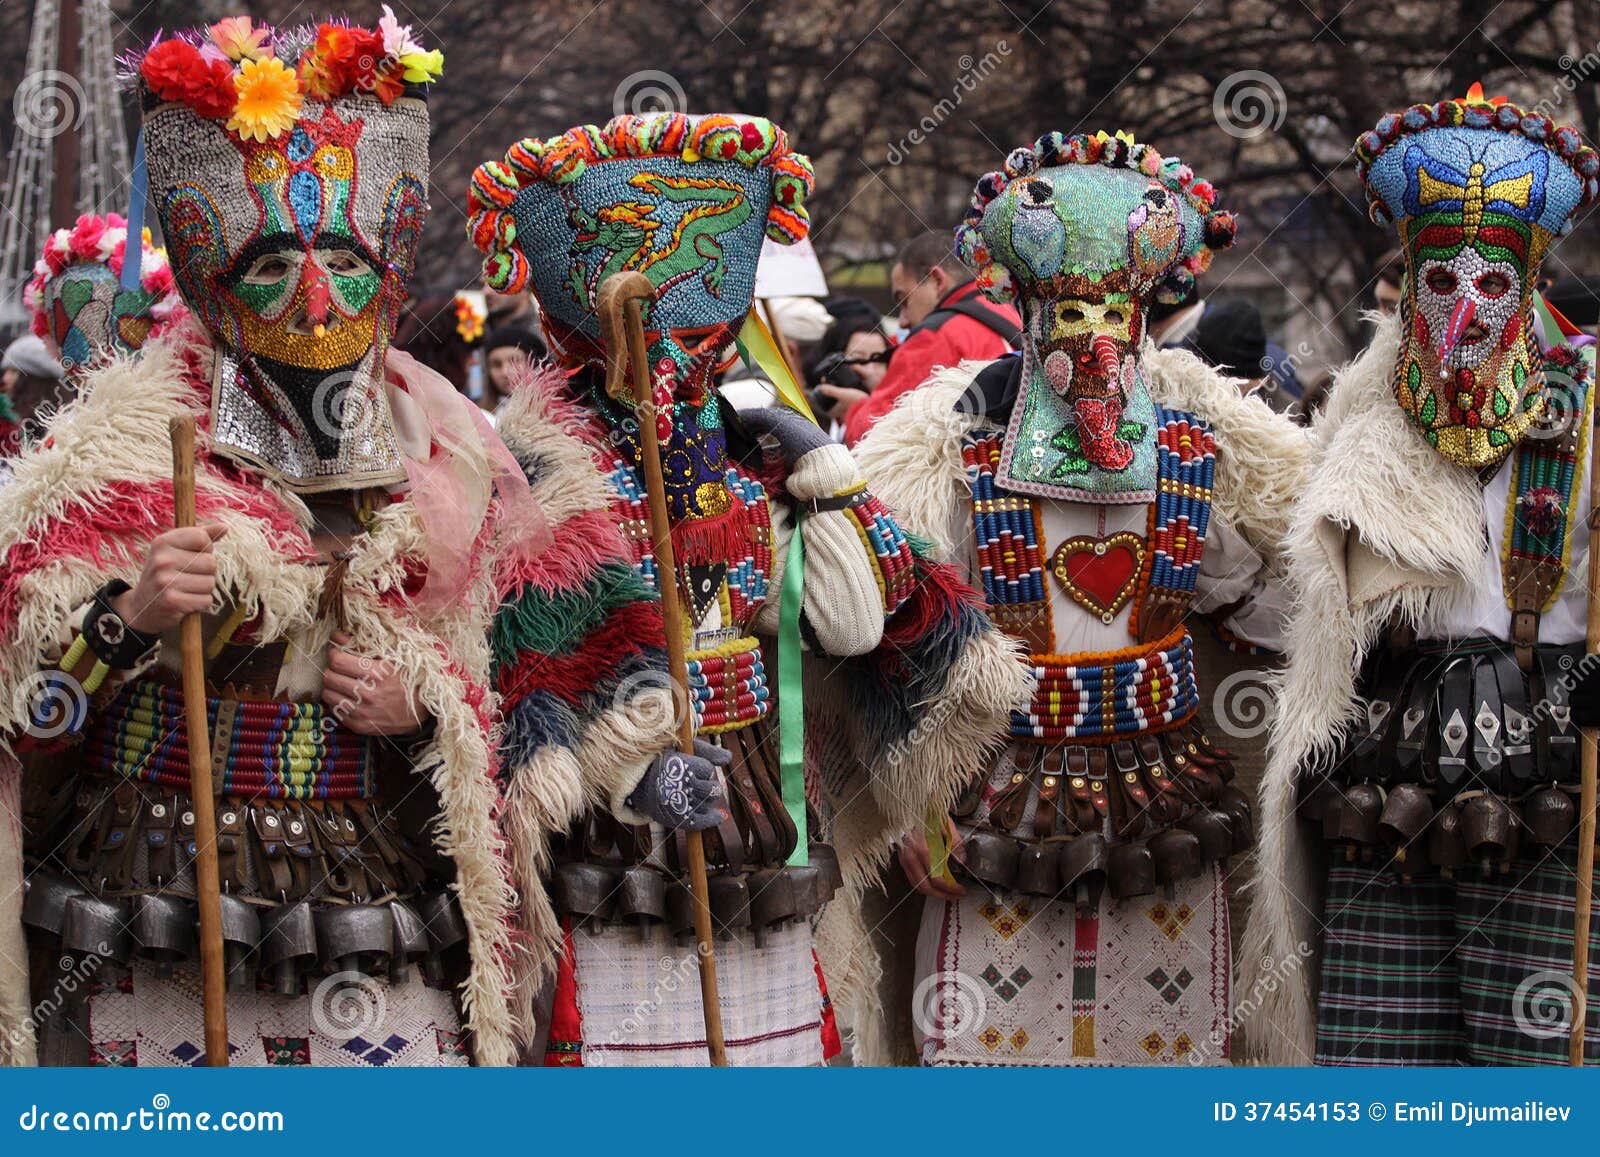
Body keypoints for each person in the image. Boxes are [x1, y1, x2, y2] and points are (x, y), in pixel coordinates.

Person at [0, 12, 606, 1068]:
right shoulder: (115, 451)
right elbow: (31, 720)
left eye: (348, 259)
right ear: (216, 275)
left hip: (371, 890)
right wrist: (124, 615)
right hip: (151, 890)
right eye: (277, 264)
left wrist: (426, 710)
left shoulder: (448, 451)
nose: (320, 297)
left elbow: (520, 704)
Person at [467, 110, 1025, 1066]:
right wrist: (628, 767)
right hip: (618, 841)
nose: (679, 354)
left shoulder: (740, 454)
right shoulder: (532, 465)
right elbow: (526, 663)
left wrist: (820, 468)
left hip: (758, 805)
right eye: (661, 325)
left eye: (704, 322)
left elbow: (851, 621)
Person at [854, 129, 1310, 1066]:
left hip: (1164, 797)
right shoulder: (965, 470)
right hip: (991, 798)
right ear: (1029, 317)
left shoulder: (1188, 463)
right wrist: (909, 802)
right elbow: (903, 646)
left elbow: (1261, 606)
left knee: (1164, 1045)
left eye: (1112, 319)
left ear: (1141, 323)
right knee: (988, 1049)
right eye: (1069, 318)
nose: (1094, 347)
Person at [1240, 86, 1600, 1066]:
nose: (1464, 308)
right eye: (1440, 282)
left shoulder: (1592, 398)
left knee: (1542, 1049)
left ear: (1527, 284)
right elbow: (1310, 592)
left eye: (1491, 285)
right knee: (1379, 1047)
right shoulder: (1364, 409)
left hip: (1556, 755)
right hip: (1381, 759)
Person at [838, 230, 1020, 445]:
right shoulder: (1012, 312)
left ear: (936, 280)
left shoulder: (936, 334)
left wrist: (853, 409)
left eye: (904, 300)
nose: (903, 321)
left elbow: (873, 433)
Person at [480, 325, 547, 413]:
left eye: (514, 361)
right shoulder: (478, 415)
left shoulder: (557, 413)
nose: (505, 372)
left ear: (535, 364)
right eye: (496, 364)